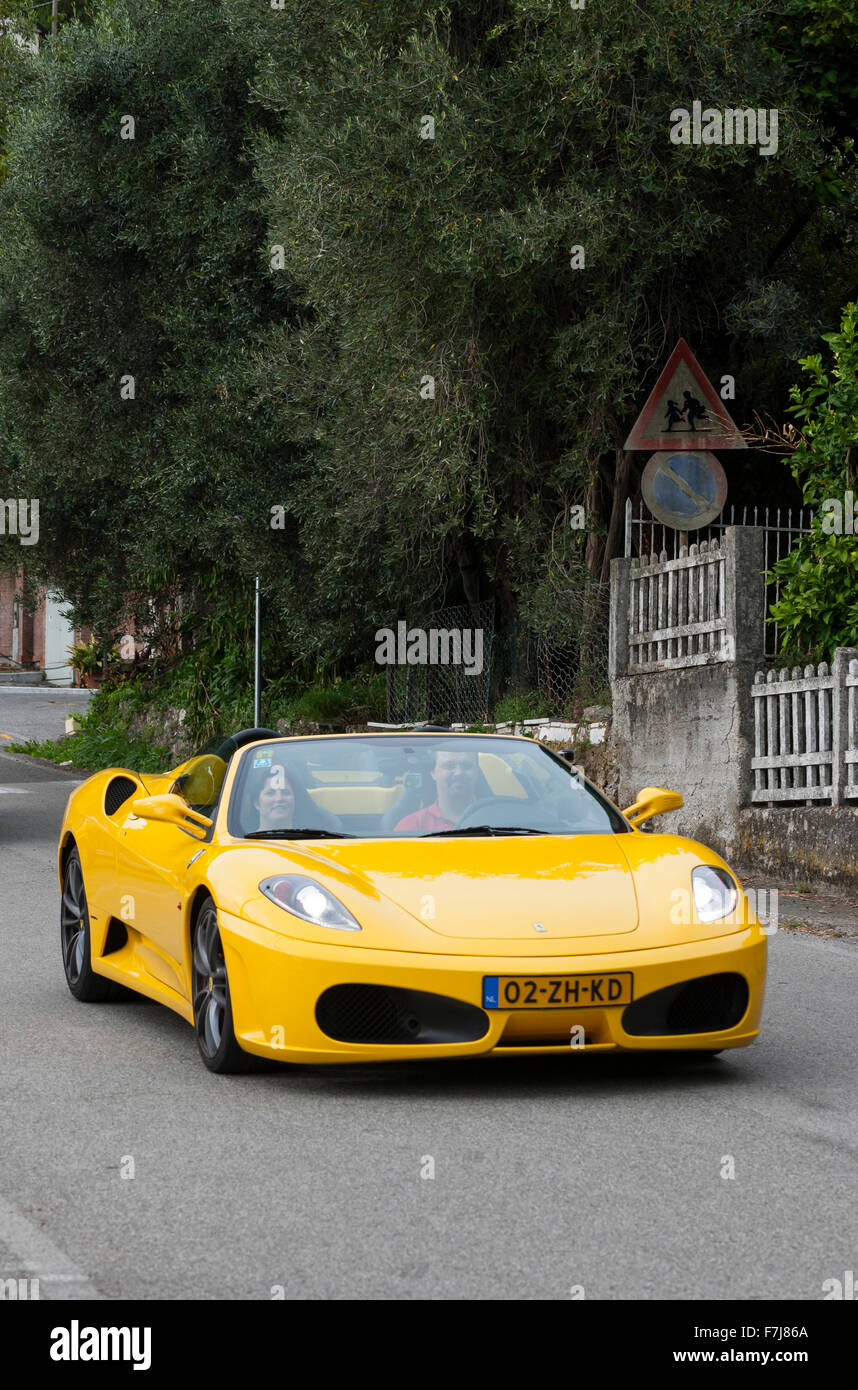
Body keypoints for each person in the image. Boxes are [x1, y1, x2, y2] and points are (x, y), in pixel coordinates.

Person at [393, 748, 481, 833]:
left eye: (466, 766)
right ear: (433, 772)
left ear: (477, 772)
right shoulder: (411, 826)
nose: (459, 773)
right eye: (449, 766)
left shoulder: (493, 820)